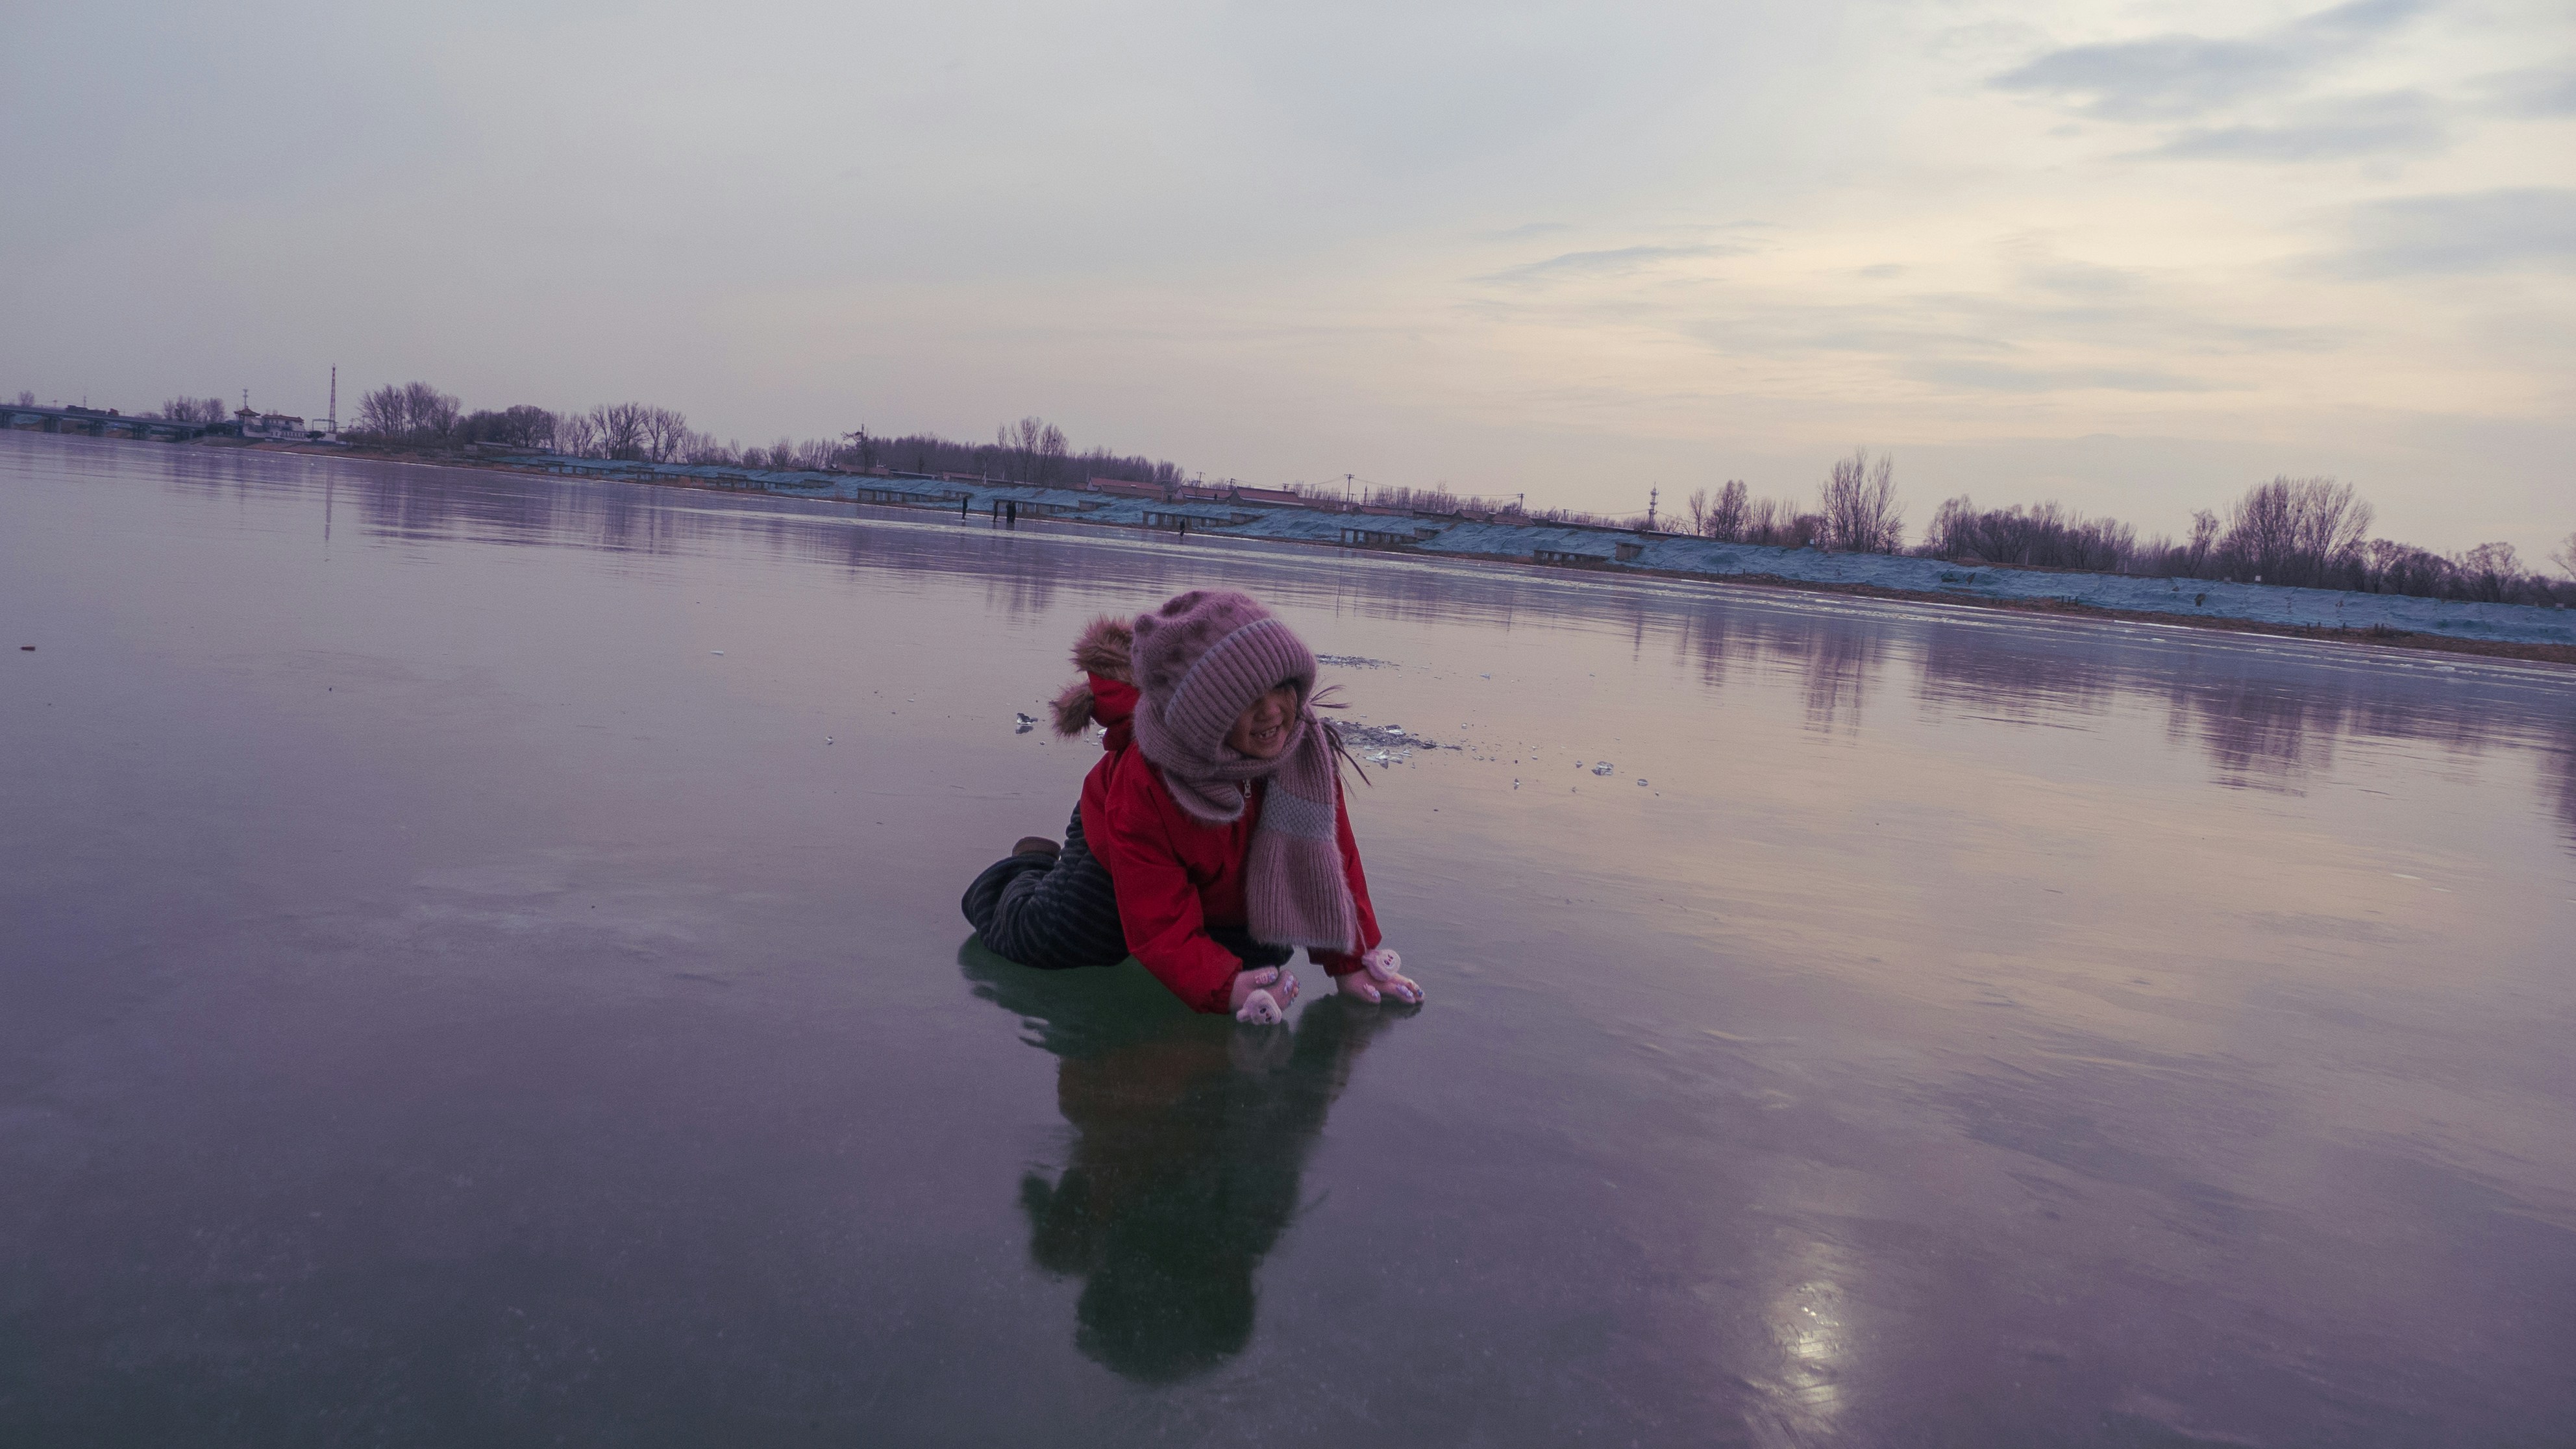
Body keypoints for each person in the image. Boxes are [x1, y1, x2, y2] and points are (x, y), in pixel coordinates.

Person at [960, 589, 1423, 1022]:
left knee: (1259, 962)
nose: (1274, 712)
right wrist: (1221, 988)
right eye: (1247, 700)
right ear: (1205, 716)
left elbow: (1334, 857)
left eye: (1282, 688)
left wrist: (1353, 961)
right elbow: (1155, 917)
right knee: (1054, 938)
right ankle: (1025, 868)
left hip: (1230, 878)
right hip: (1119, 854)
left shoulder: (1305, 755)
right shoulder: (1147, 781)